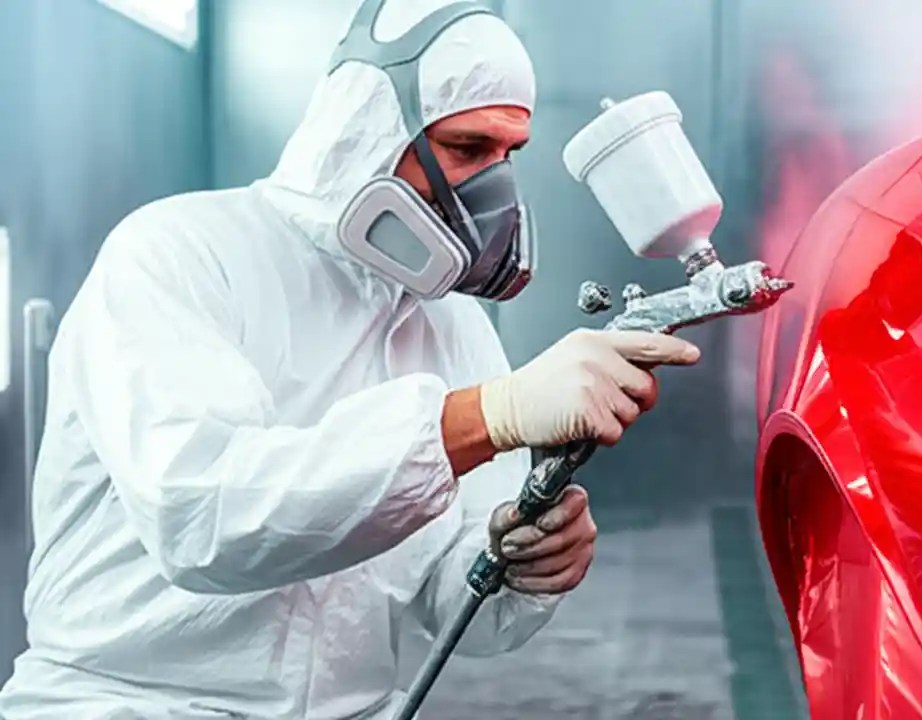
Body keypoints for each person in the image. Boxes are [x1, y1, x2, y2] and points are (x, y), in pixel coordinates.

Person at [0, 1, 699, 717]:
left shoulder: (454, 325)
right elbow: (205, 516)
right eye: (466, 149)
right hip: (127, 704)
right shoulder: (178, 254)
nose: (494, 191)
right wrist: (489, 415)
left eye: (508, 154)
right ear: (370, 131)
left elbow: (451, 601)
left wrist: (523, 563)